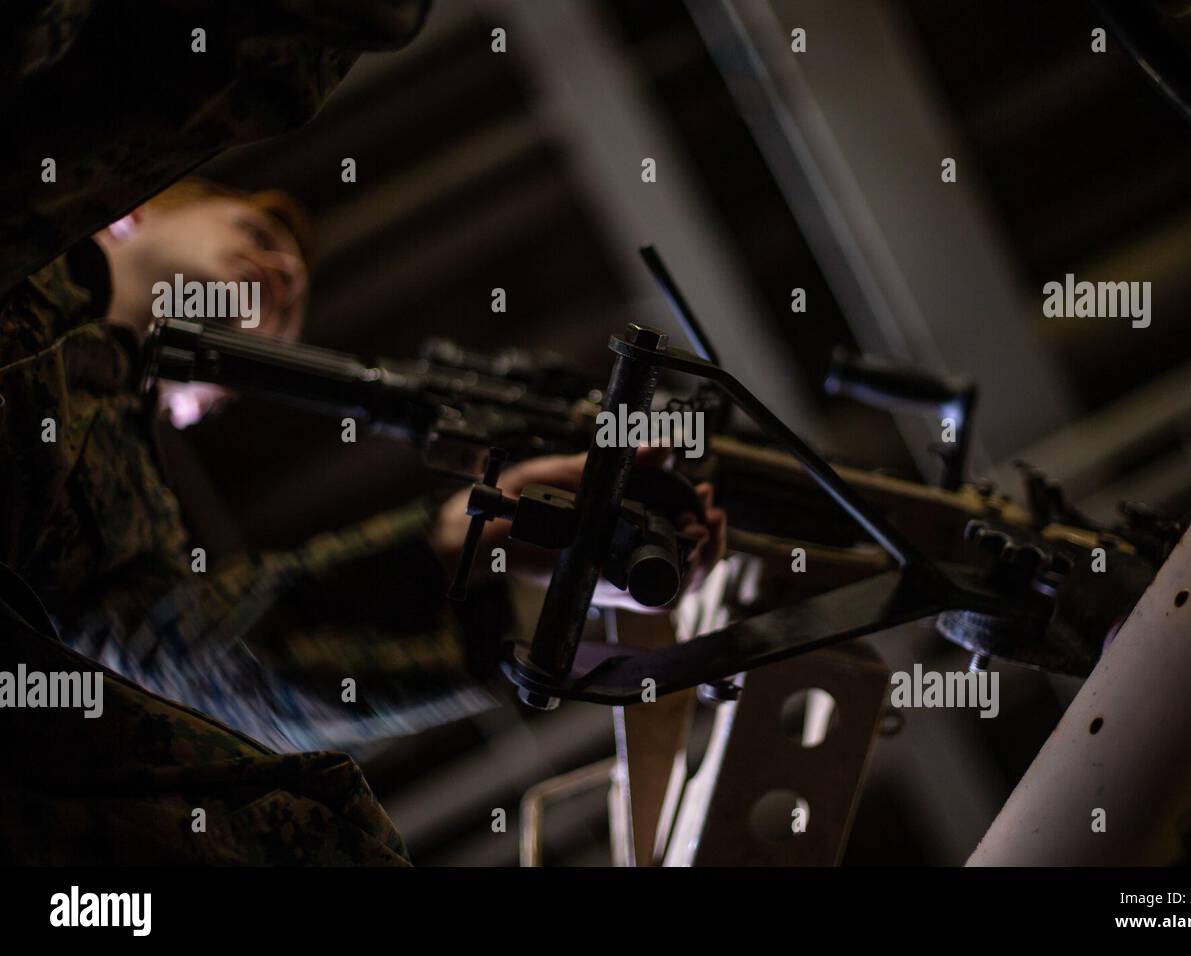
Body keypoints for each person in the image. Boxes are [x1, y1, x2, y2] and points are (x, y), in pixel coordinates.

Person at [0, 0, 724, 864]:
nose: (281, 271)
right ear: (142, 210)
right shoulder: (49, 184)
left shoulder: (121, 512)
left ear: (205, 403)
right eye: (259, 233)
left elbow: (221, 664)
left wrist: (465, 548)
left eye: (292, 300)